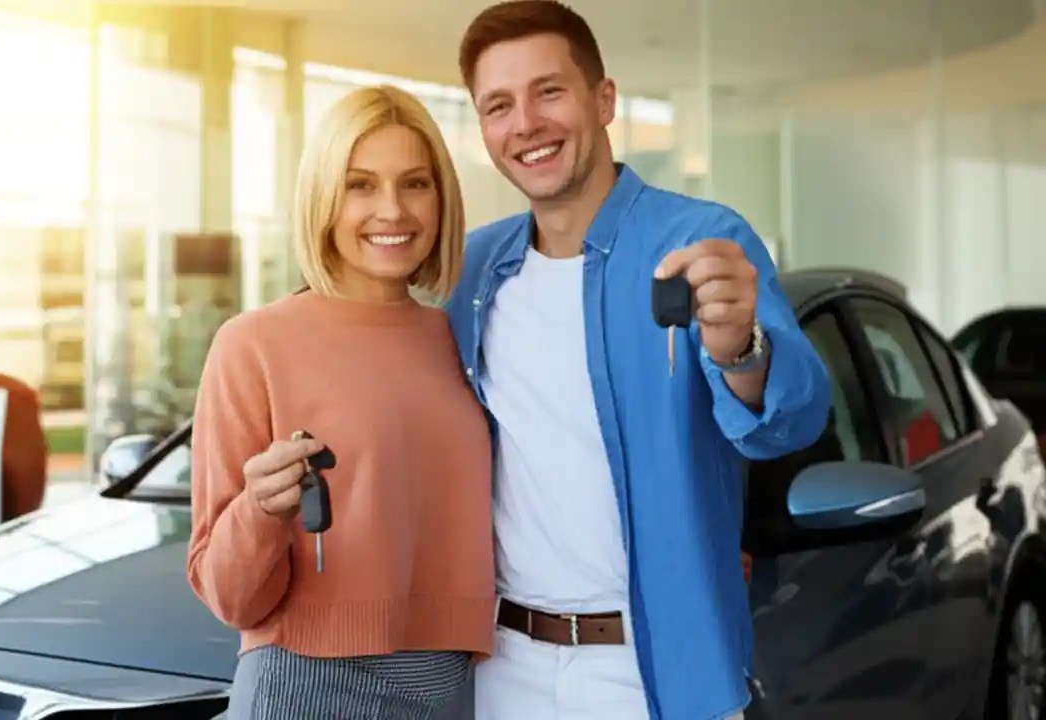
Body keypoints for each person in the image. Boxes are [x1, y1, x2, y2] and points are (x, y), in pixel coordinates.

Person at [446, 2, 833, 719]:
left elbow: (793, 421)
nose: (525, 122)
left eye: (549, 91)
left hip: (657, 675)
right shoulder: (471, 272)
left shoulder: (703, 239)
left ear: (604, 100)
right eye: (498, 105)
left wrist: (739, 348)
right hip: (502, 670)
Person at [186, 84, 496, 720]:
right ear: (323, 198)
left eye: (415, 183)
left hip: (454, 681)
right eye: (360, 185)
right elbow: (227, 594)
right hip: (306, 681)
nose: (392, 210)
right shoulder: (254, 344)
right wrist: (259, 510)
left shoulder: (462, 336)